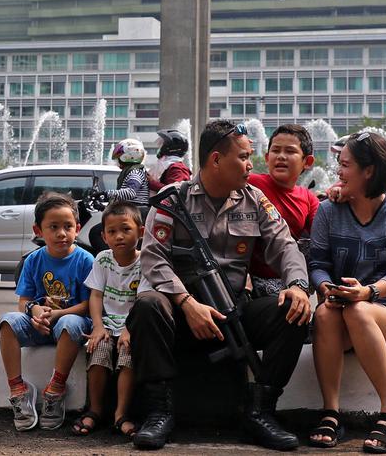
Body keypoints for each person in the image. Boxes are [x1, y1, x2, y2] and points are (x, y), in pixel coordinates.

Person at [128, 119, 313, 451]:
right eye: (243, 157)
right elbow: (153, 259)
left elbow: (285, 246)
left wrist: (298, 285)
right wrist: (187, 303)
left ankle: (259, 412)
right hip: (181, 312)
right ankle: (158, 413)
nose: (250, 165)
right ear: (216, 159)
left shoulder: (254, 199)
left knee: (293, 311)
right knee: (147, 305)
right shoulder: (173, 199)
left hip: (233, 312)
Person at [307, 132, 386, 454]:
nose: (338, 172)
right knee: (325, 313)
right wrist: (325, 286)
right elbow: (317, 263)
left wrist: (368, 292)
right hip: (342, 309)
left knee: (357, 310)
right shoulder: (329, 211)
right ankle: (331, 411)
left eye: (345, 165)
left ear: (368, 171)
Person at [0, 192, 95, 432]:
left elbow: (89, 305)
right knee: (8, 322)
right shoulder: (33, 260)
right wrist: (34, 310)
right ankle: (18, 390)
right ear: (38, 230)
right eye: (53, 227)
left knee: (72, 322)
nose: (61, 233)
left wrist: (57, 315)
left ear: (78, 228)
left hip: (68, 328)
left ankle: (56, 389)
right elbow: (24, 301)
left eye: (67, 226)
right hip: (39, 324)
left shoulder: (86, 260)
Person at [75, 200, 143, 439]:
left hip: (132, 325)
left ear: (140, 232)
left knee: (127, 356)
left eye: (126, 229)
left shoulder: (145, 262)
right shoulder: (103, 259)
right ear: (104, 236)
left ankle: (121, 414)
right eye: (112, 232)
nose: (119, 237)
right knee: (98, 350)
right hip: (106, 324)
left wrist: (128, 330)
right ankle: (94, 410)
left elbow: (142, 301)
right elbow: (95, 294)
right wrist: (97, 326)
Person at [247, 124, 321, 298]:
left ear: (307, 162)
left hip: (285, 278)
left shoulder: (309, 199)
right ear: (267, 158)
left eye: (290, 151)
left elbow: (323, 235)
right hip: (246, 278)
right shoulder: (250, 184)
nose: (281, 156)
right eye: (276, 150)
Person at [105, 138, 149, 206]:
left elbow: (131, 192)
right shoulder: (131, 171)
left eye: (118, 158)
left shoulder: (135, 172)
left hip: (136, 211)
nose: (117, 161)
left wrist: (106, 193)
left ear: (127, 156)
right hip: (130, 210)